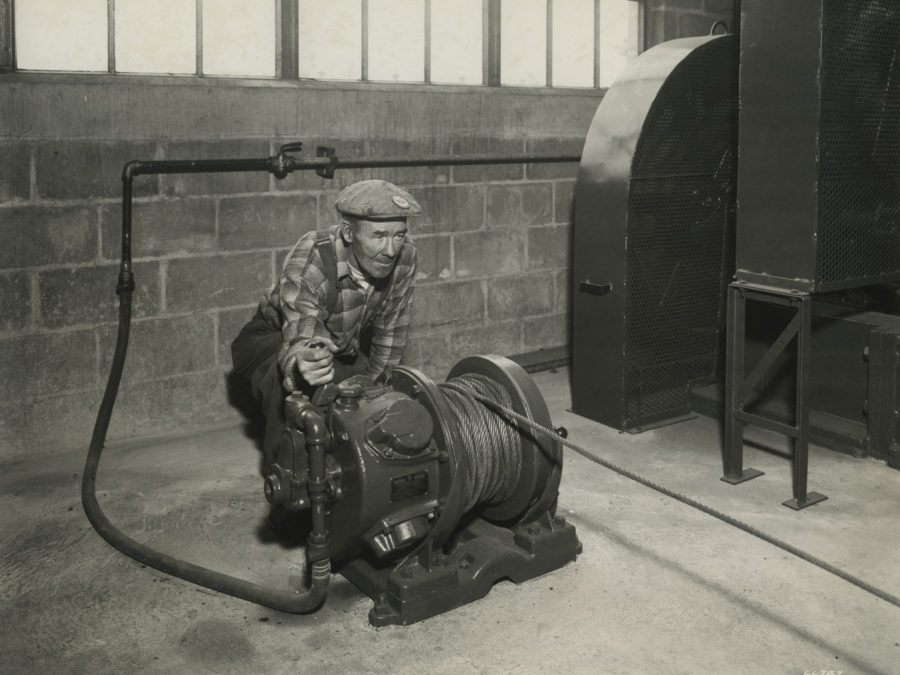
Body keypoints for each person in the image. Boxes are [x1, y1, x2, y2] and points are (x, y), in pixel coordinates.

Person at [231, 179, 421, 463]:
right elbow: (300, 328)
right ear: (348, 232)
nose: (390, 250)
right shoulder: (315, 252)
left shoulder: (405, 257)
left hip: (339, 345)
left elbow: (389, 336)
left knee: (364, 396)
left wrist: (381, 395)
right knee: (293, 389)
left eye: (398, 235)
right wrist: (303, 360)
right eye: (379, 235)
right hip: (271, 339)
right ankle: (292, 484)